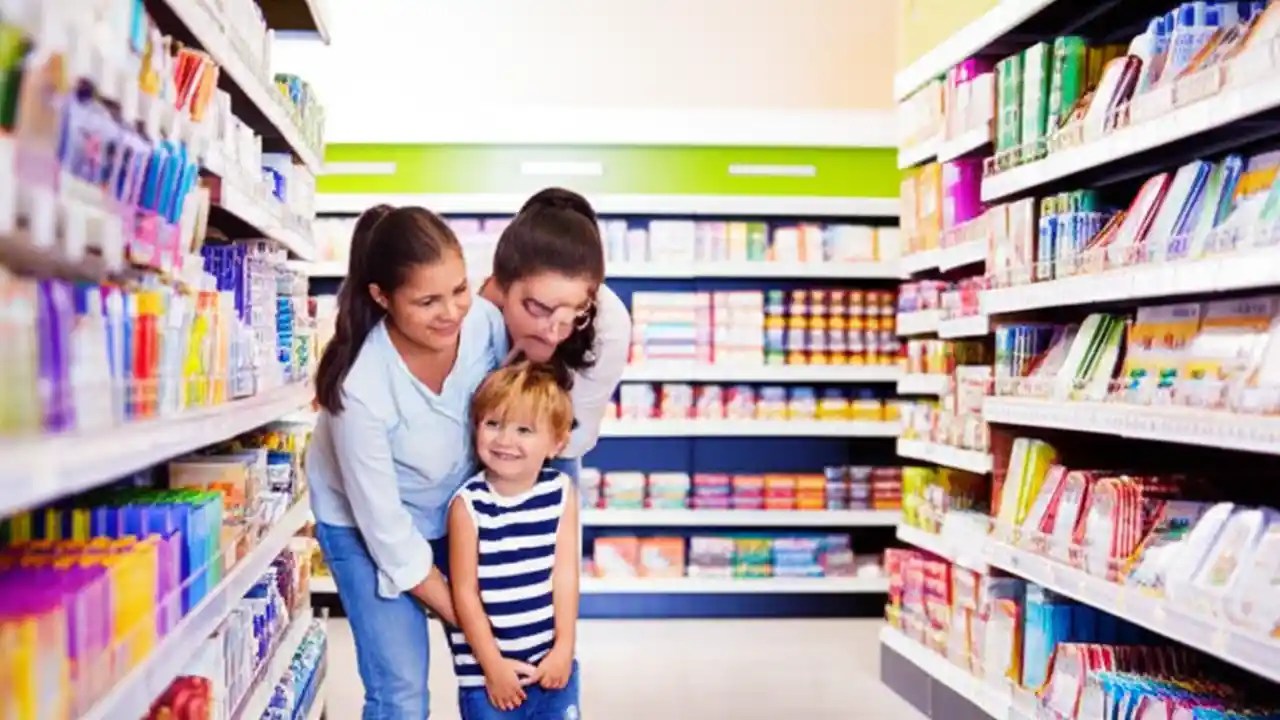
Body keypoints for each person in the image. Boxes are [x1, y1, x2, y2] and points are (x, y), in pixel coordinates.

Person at [306, 205, 509, 720]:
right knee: (401, 690)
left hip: (454, 505)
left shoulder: (484, 324)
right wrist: (465, 614)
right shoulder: (362, 387)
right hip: (364, 523)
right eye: (427, 301)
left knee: (499, 665)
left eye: (459, 289)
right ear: (382, 297)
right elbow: (387, 530)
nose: (452, 312)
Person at [447, 360, 581, 720]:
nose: (505, 440)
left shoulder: (561, 492)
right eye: (493, 424)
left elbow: (565, 575)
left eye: (524, 430)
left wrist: (564, 647)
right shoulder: (468, 505)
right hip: (488, 676)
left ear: (556, 442)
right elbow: (464, 594)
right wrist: (493, 667)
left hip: (551, 668)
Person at [479, 188, 631, 481]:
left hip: (549, 458)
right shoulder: (468, 304)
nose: (553, 334)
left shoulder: (607, 325)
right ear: (501, 285)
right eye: (537, 308)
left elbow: (576, 434)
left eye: (575, 311)